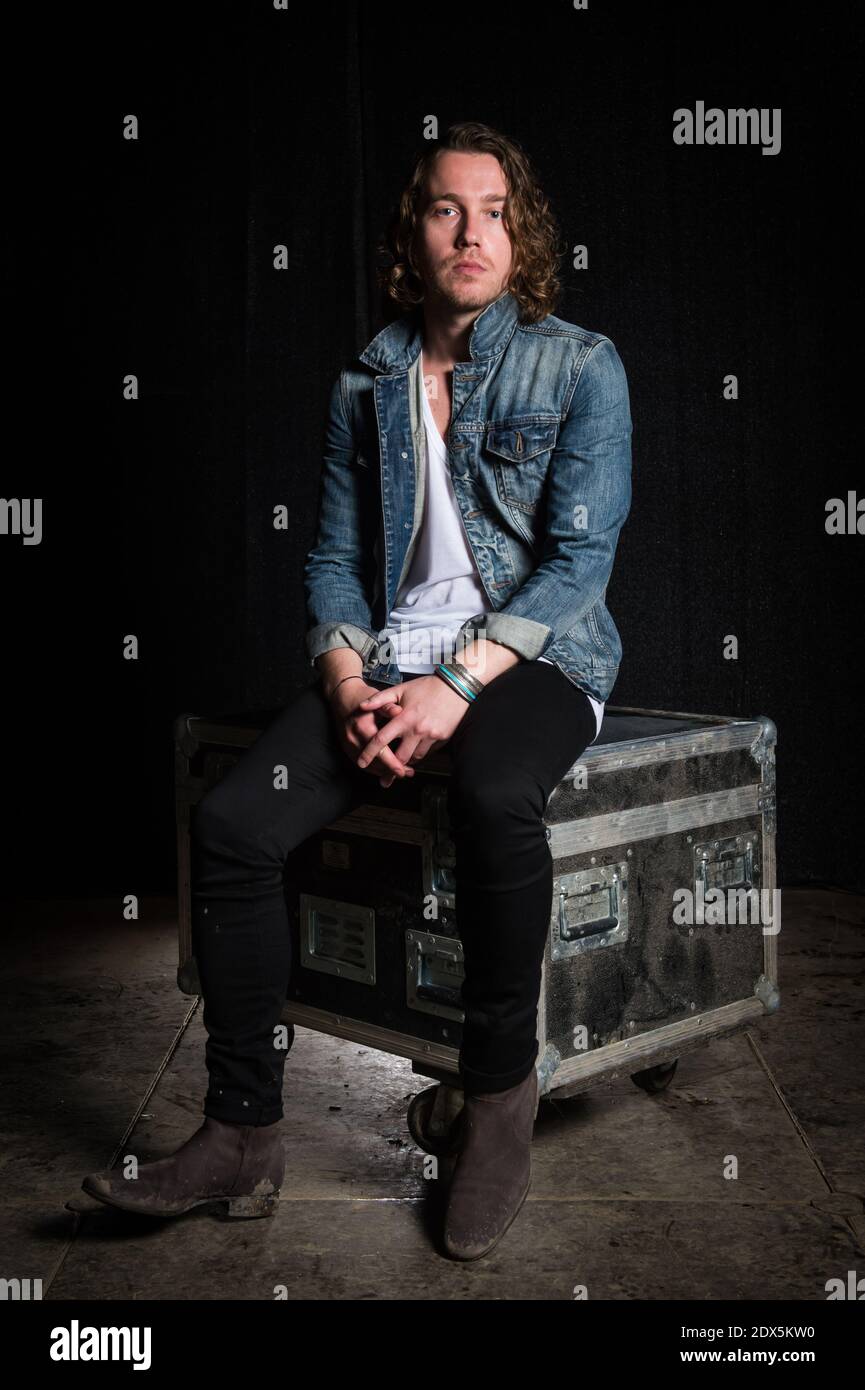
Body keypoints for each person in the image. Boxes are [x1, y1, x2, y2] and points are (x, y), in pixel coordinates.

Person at [82, 121, 632, 1261]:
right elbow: (332, 560)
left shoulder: (579, 362)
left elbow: (579, 565)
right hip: (387, 664)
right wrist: (345, 680)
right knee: (233, 823)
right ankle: (241, 1133)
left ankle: (494, 1104)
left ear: (518, 232)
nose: (470, 230)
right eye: (444, 208)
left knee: (489, 789)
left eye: (492, 210)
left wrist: (456, 684)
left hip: (534, 661)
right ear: (411, 234)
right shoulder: (363, 386)